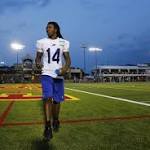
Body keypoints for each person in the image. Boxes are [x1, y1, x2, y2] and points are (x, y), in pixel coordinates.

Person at [35, 21, 71, 141]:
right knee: (47, 98)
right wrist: (38, 64)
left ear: (55, 29)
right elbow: (38, 58)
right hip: (46, 73)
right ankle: (47, 126)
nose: (47, 29)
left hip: (58, 75)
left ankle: (56, 119)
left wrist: (64, 69)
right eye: (46, 28)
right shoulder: (41, 42)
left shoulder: (63, 42)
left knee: (57, 101)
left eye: (49, 27)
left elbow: (68, 60)